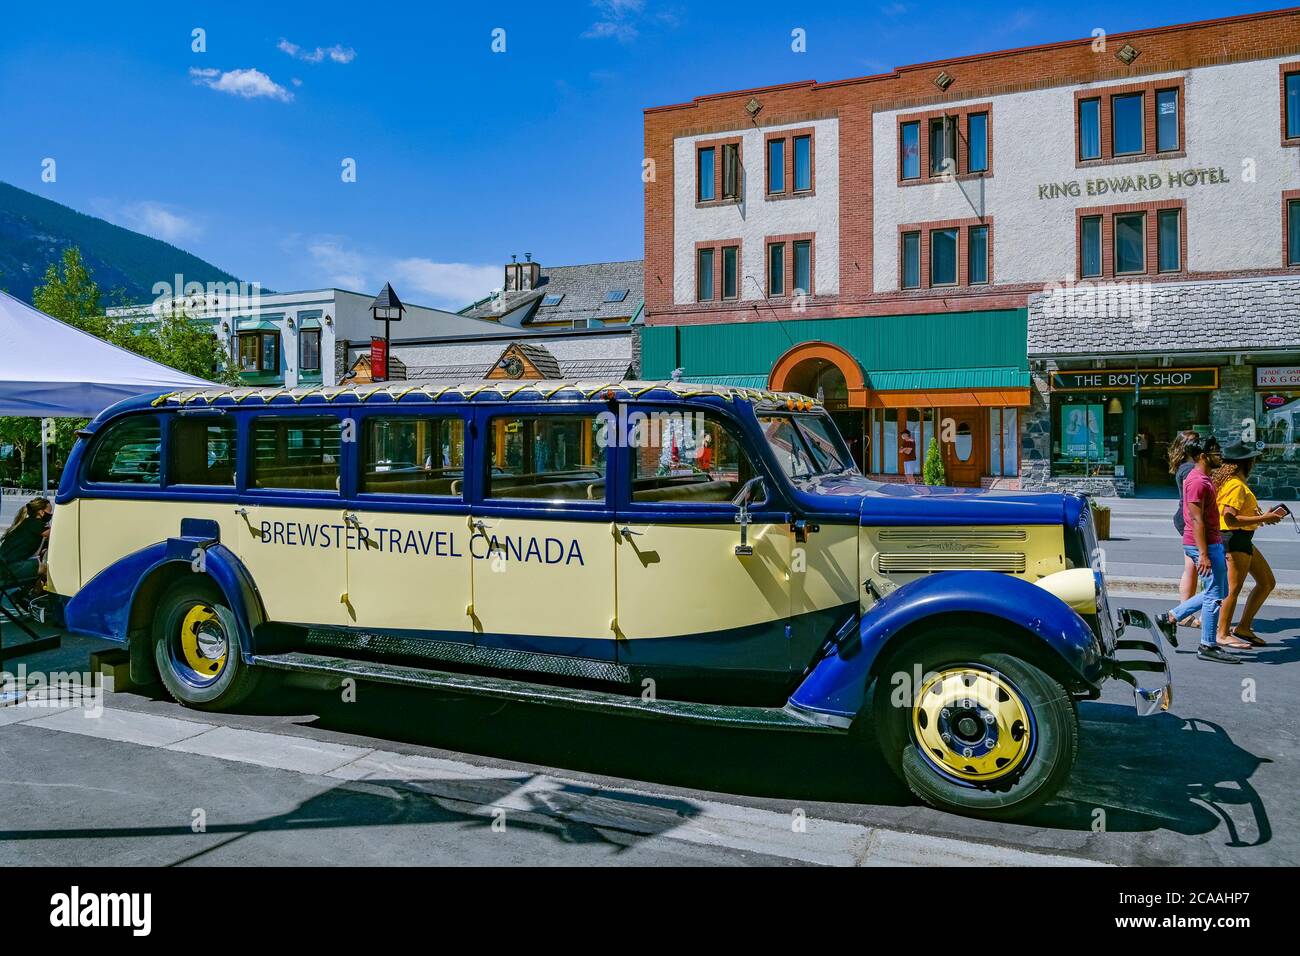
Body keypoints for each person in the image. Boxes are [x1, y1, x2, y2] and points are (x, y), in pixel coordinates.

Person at [1153, 436, 1238, 663]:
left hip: (1211, 542)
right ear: (1202, 456)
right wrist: (1203, 554)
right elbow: (1196, 519)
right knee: (1214, 594)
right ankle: (1208, 645)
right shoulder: (1197, 481)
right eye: (1215, 452)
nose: (1219, 455)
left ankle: (1171, 617)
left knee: (1221, 590)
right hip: (1205, 544)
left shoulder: (1204, 478)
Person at [1213, 441, 1283, 648]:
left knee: (1267, 582)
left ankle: (1243, 627)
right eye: (1252, 459)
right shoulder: (1236, 485)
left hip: (1241, 538)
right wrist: (1263, 519)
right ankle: (1222, 633)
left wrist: (1260, 515)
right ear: (1246, 463)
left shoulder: (1230, 481)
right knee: (1233, 589)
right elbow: (1230, 518)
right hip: (1234, 538)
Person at [1168, 430, 1200, 621]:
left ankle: (1185, 611)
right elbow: (1192, 499)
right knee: (1195, 567)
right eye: (1197, 442)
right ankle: (1185, 611)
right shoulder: (1188, 469)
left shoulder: (1185, 465)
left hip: (1184, 517)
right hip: (1189, 518)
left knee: (1191, 567)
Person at [0, 496, 52, 591]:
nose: (51, 514)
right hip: (10, 568)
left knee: (39, 567)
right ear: (41, 512)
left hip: (5, 565)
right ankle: (52, 600)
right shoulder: (36, 524)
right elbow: (56, 535)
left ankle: (32, 595)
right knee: (46, 570)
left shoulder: (27, 522)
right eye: (50, 511)